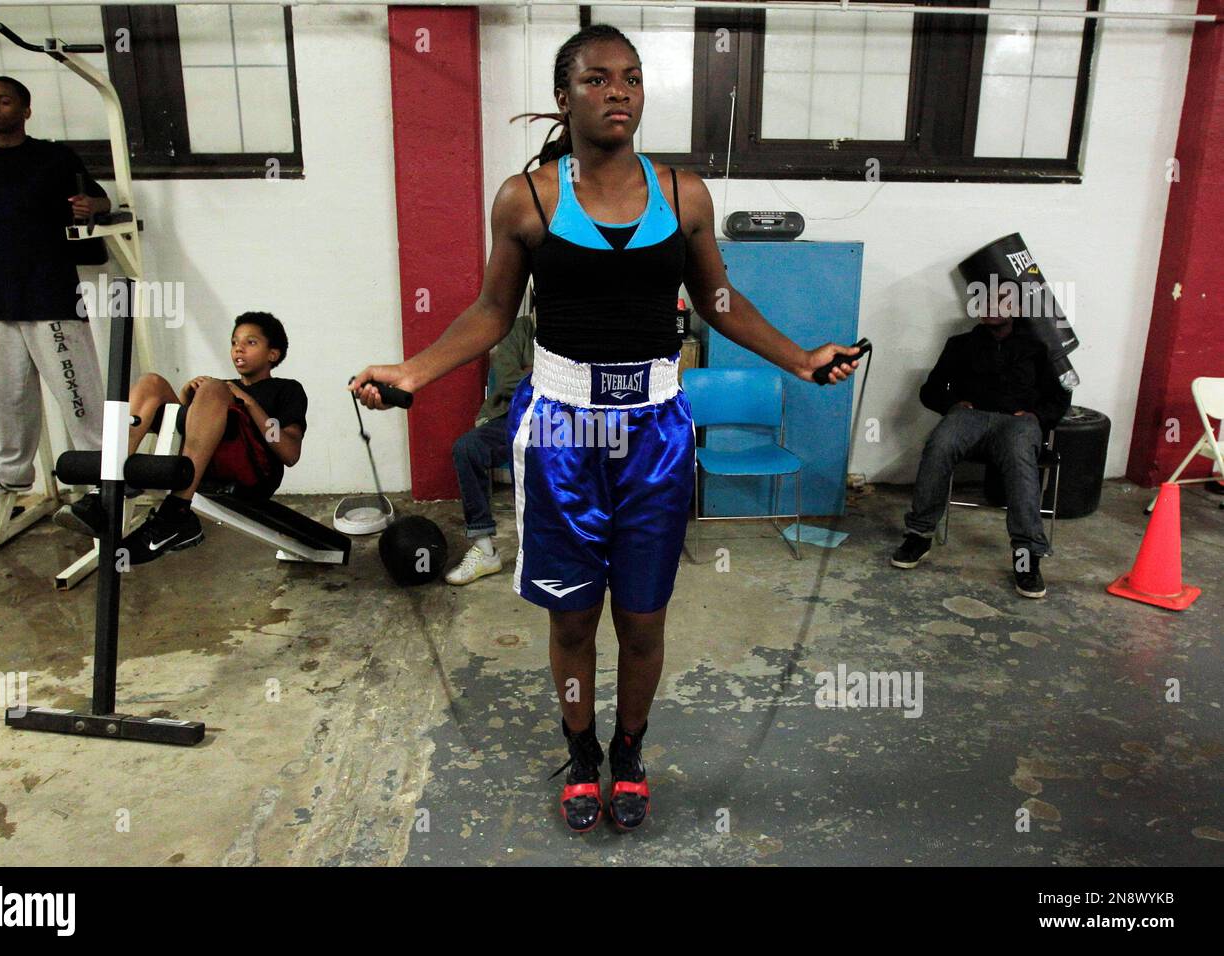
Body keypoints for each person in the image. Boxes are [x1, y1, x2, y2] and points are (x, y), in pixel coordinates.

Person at [351, 24, 858, 833]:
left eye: (629, 77)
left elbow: (719, 303)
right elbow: (491, 311)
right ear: (565, 97)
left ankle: (630, 750)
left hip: (653, 431)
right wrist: (411, 372)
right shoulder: (528, 198)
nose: (616, 90)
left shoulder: (684, 193)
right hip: (561, 434)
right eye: (595, 79)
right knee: (574, 617)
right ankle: (581, 751)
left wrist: (801, 359)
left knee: (645, 619)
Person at [0, 76, 109, 498]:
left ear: (25, 111)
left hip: (50, 291)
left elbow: (99, 200)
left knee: (76, 390)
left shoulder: (54, 156)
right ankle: (12, 471)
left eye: (5, 101)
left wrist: (90, 206)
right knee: (7, 393)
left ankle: (103, 469)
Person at [56, 312, 308, 565]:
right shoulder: (222, 387)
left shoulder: (286, 389)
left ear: (272, 355)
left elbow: (289, 453)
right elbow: (190, 431)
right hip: (206, 463)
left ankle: (177, 513)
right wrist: (187, 398)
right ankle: (107, 490)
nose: (238, 348)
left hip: (251, 473)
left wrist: (248, 402)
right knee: (151, 382)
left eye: (250, 342)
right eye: (234, 342)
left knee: (213, 387)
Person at [890, 284, 1071, 598]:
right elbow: (930, 390)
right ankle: (918, 535)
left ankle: (1027, 556)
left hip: (1017, 423)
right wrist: (952, 405)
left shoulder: (1037, 347)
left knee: (1019, 460)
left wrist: (1035, 417)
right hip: (970, 418)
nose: (990, 307)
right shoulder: (961, 344)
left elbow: (1060, 396)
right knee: (940, 444)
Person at [444, 309, 536, 586]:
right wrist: (548, 377)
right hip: (512, 415)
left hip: (561, 420)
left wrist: (529, 373)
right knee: (468, 448)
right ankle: (484, 548)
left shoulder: (576, 327)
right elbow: (507, 378)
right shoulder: (519, 330)